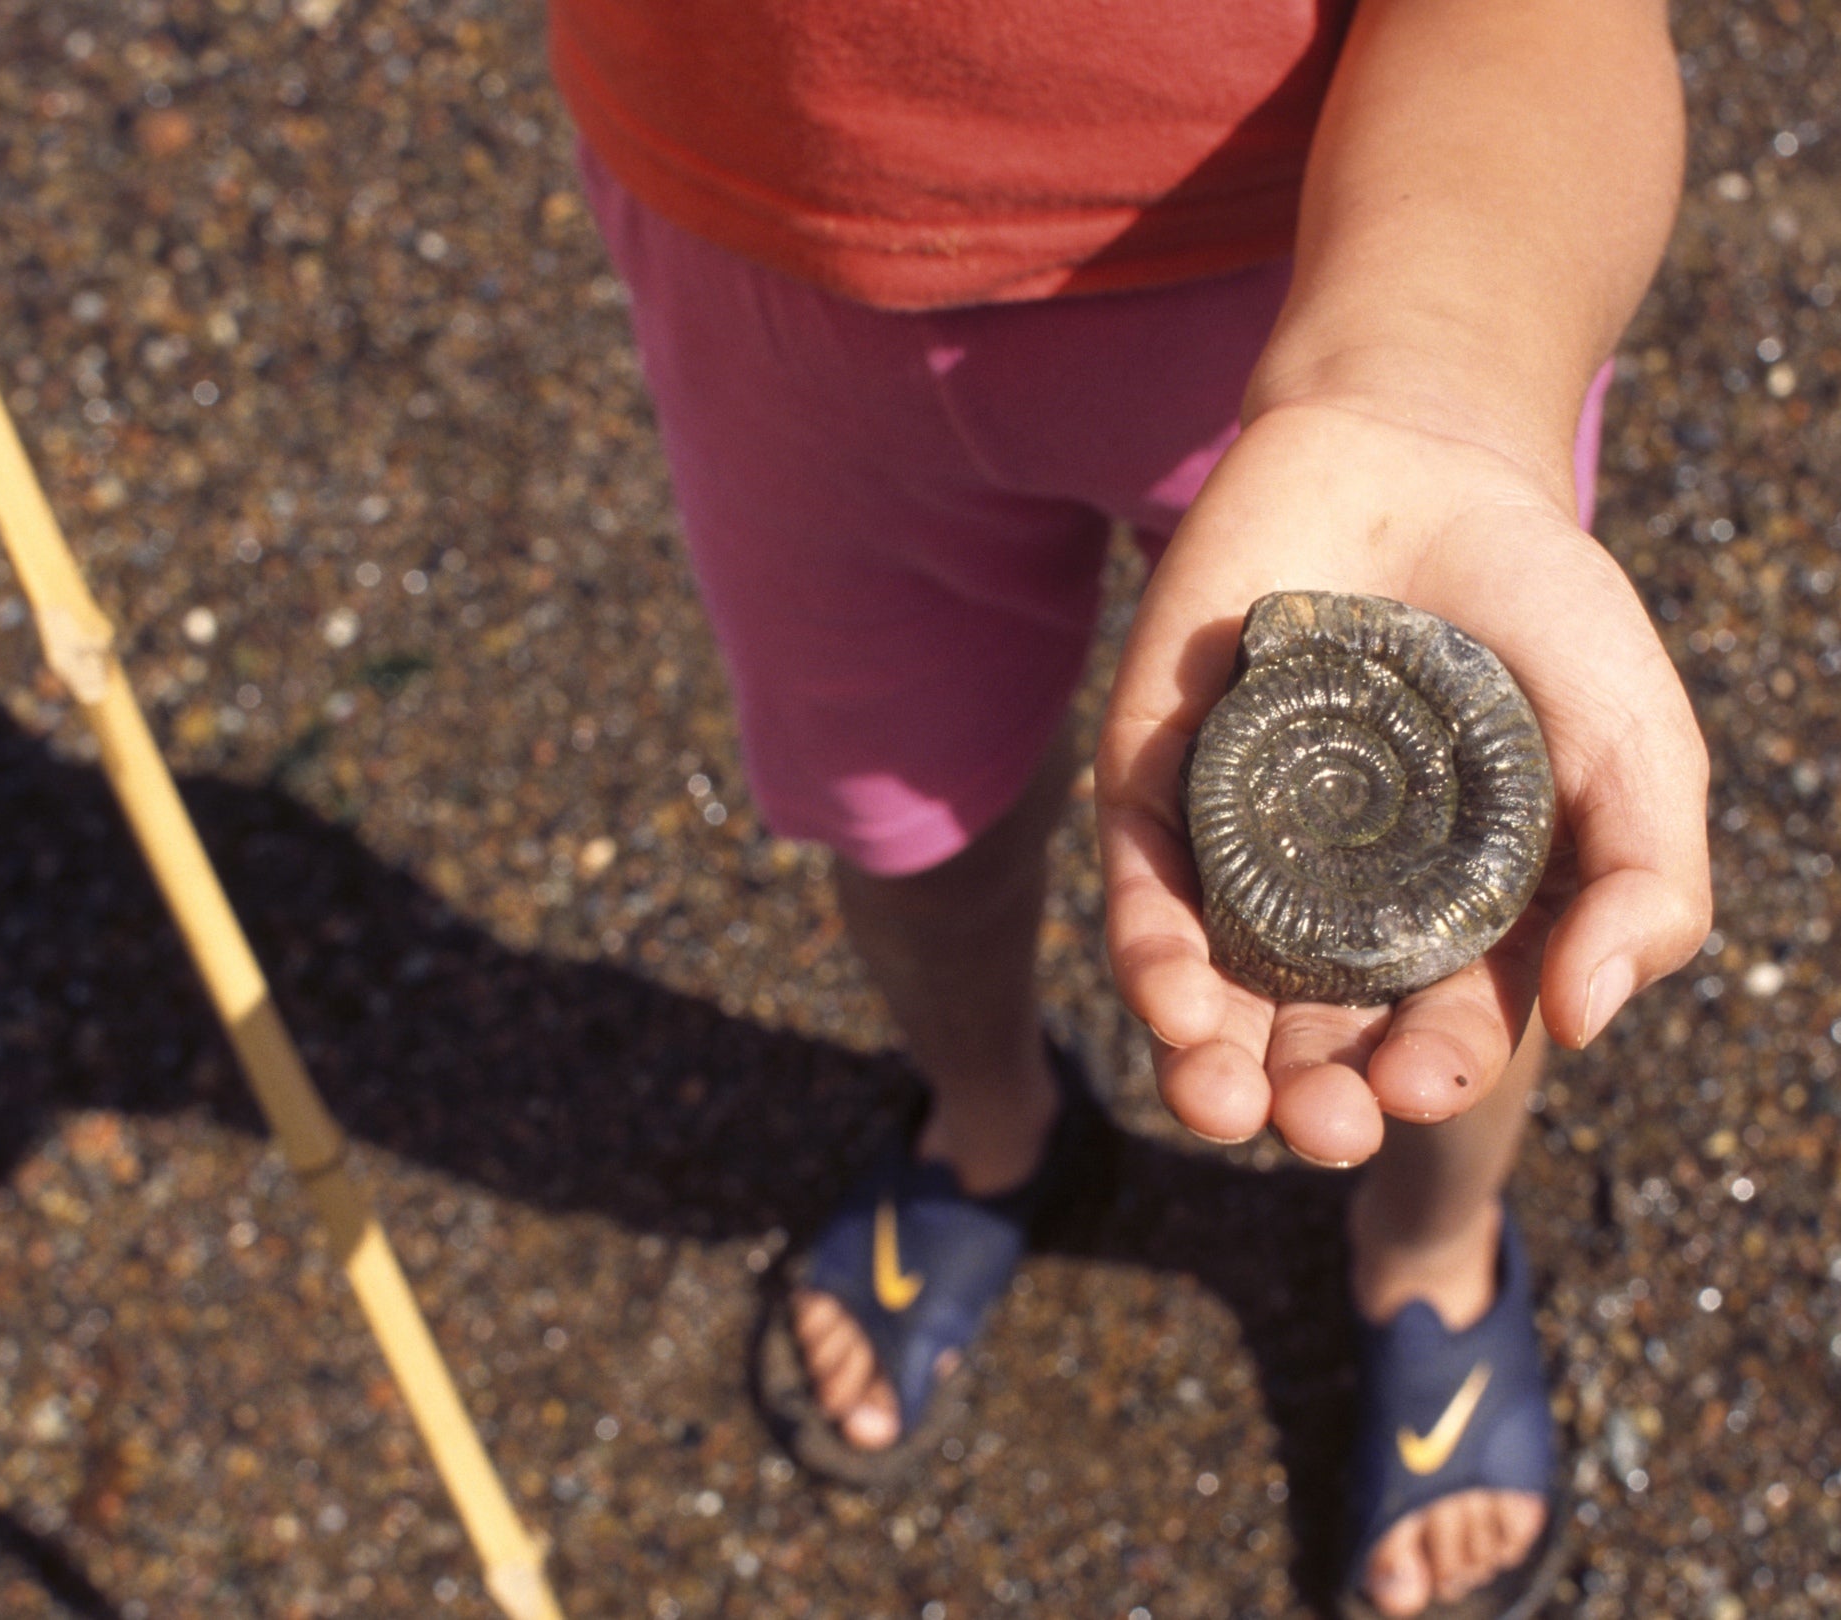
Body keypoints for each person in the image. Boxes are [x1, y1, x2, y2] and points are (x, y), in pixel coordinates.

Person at [546, 0, 1711, 1613]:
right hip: (764, 252)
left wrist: (1430, 387)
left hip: (1361, 244)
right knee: (906, 816)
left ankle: (1434, 1250)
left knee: (1475, 974)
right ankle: (990, 1121)